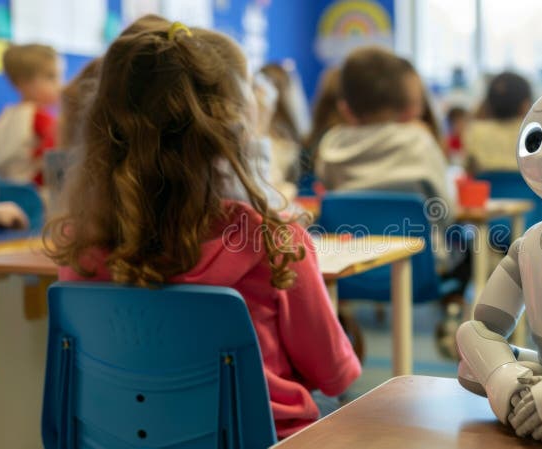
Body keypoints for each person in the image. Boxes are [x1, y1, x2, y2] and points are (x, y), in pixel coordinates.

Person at [44, 21, 360, 438]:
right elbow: (334, 373)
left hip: (115, 436)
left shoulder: (77, 246)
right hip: (252, 436)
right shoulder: (272, 239)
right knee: (347, 405)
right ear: (234, 126)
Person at [315, 47, 453, 217]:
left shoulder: (331, 145)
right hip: (419, 242)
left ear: (347, 107)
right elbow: (447, 212)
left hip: (352, 241)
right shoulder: (419, 141)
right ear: (404, 103)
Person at [0, 44, 61, 185]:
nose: (60, 84)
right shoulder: (40, 117)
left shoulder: (6, 114)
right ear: (25, 83)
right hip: (33, 194)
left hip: (5, 190)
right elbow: (56, 154)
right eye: (51, 77)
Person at [463, 71, 532, 174]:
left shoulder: (475, 131)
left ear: (488, 103)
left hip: (489, 189)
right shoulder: (532, 131)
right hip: (528, 189)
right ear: (525, 104)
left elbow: (469, 171)